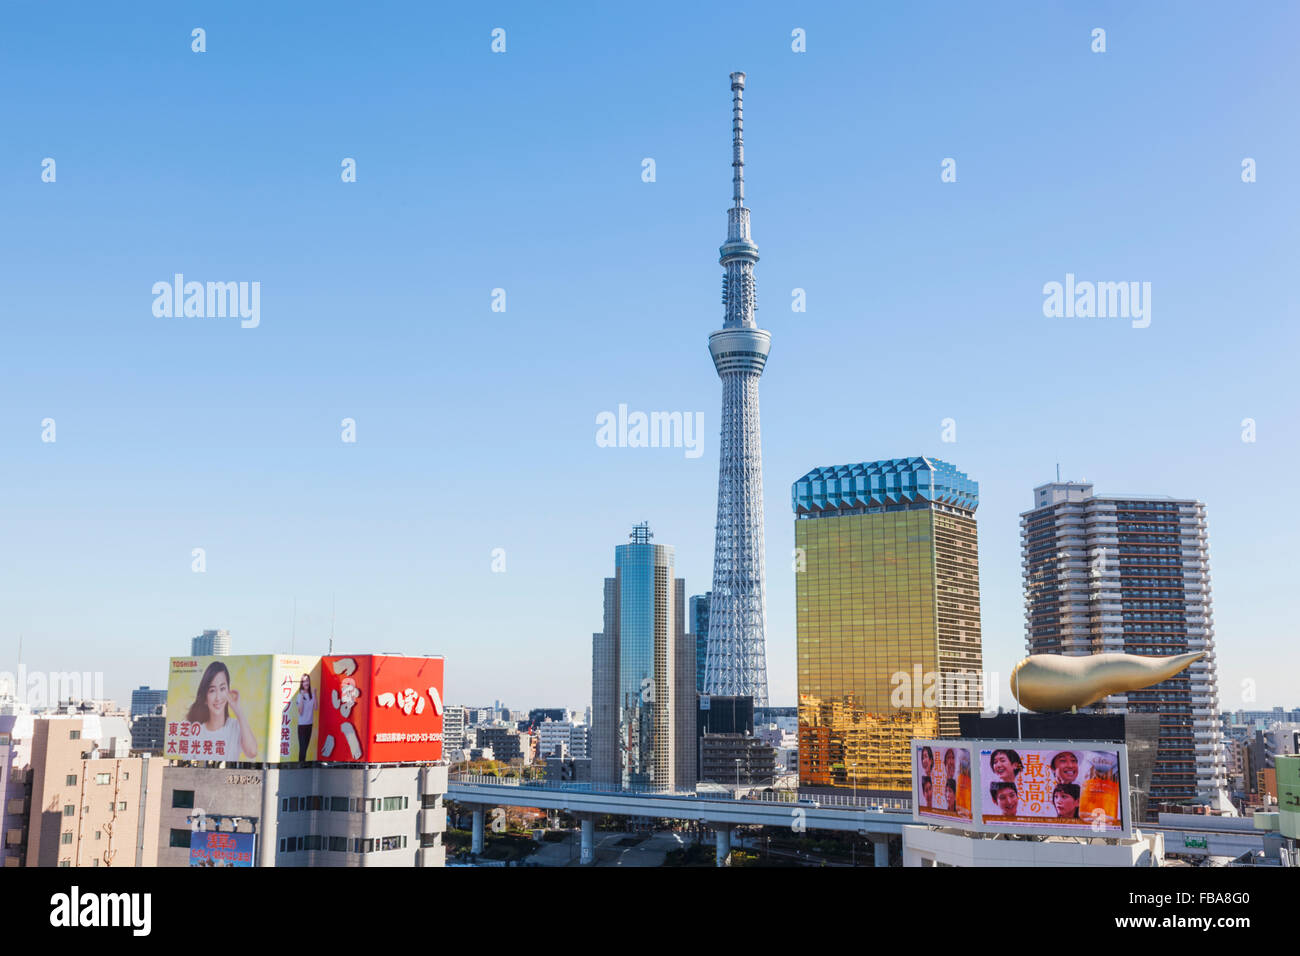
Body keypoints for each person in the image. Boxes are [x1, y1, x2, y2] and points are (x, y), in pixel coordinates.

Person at [186, 661, 257, 760]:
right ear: (205, 697)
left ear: (228, 690)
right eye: (212, 690)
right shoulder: (196, 732)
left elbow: (252, 752)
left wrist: (238, 710)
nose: (218, 698)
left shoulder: (236, 726)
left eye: (222, 688)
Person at [294, 673, 315, 760]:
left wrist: (315, 694)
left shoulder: (312, 695)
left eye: (307, 680)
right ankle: (300, 767)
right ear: (301, 684)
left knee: (305, 749)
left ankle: (303, 767)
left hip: (309, 725)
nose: (306, 683)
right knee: (302, 749)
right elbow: (300, 711)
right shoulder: (299, 696)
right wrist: (302, 696)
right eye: (303, 681)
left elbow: (315, 708)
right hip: (302, 726)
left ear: (309, 681)